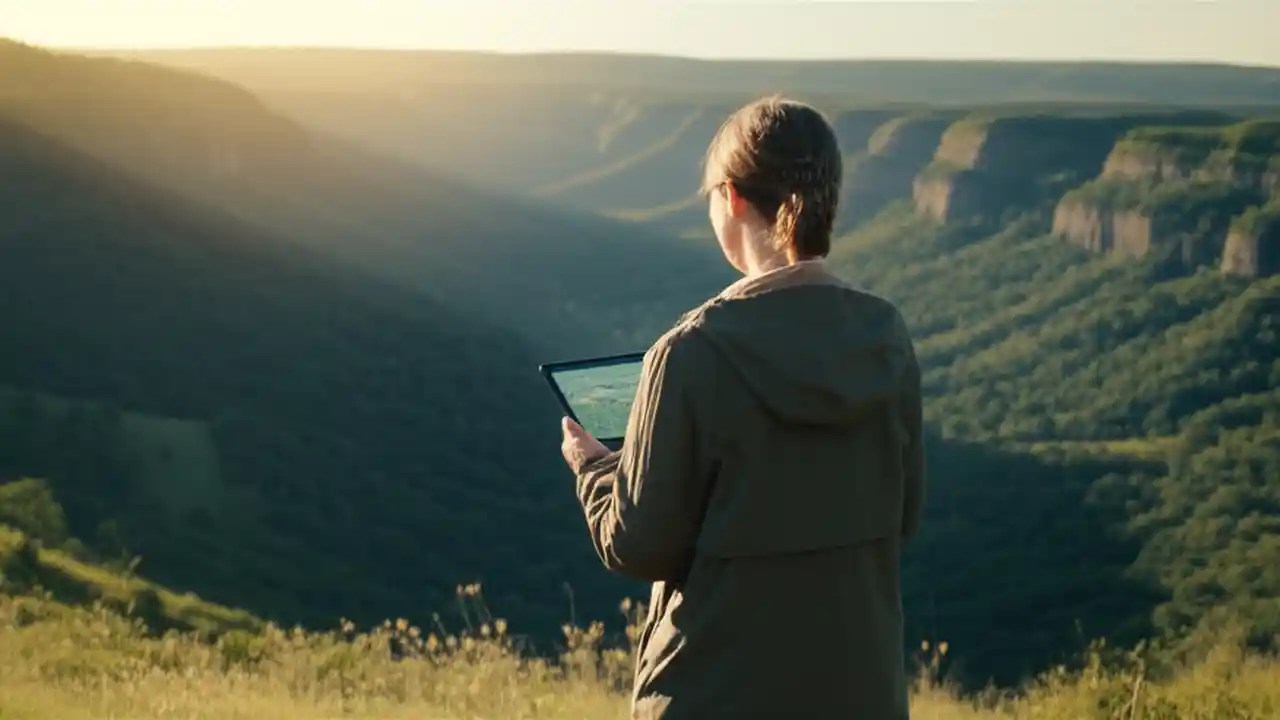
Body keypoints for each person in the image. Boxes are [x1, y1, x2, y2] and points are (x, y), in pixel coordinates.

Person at [559, 96, 925, 720]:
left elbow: (638, 545)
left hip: (716, 692)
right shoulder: (886, 336)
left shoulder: (690, 353)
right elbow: (904, 516)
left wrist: (595, 469)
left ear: (731, 197)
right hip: (859, 692)